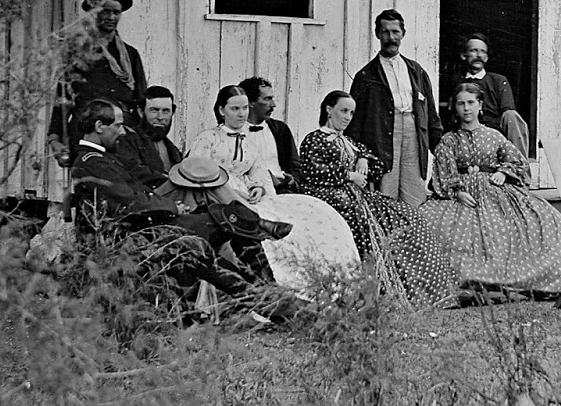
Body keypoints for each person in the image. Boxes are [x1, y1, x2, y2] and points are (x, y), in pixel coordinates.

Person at [66, 100, 281, 319]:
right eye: (118, 125)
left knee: (222, 224)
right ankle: (271, 296)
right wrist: (172, 207)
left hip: (146, 230)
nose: (122, 132)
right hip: (132, 239)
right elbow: (131, 204)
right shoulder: (92, 162)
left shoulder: (102, 157)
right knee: (221, 226)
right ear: (100, 126)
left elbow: (139, 186)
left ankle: (270, 296)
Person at [187, 85, 362, 291]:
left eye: (244, 108)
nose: (242, 114)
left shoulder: (248, 143)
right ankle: (273, 275)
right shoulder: (208, 138)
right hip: (216, 195)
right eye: (235, 109)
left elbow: (259, 174)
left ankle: (324, 283)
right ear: (221, 110)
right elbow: (197, 172)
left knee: (310, 214)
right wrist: (235, 190)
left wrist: (258, 189)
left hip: (249, 196)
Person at [299, 90, 460, 309]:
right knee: (369, 224)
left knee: (408, 217)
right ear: (329, 109)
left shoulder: (349, 141)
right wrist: (348, 175)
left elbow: (378, 165)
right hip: (331, 198)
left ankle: (424, 291)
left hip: (360, 197)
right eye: (343, 111)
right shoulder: (314, 139)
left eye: (351, 113)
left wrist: (363, 158)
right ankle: (378, 288)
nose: (347, 117)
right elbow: (312, 172)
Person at [418, 81, 561, 295]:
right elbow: (443, 173)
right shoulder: (449, 140)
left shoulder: (493, 135)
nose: (466, 108)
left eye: (471, 103)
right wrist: (457, 192)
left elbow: (518, 161)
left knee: (533, 222)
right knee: (435, 224)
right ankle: (466, 281)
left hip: (495, 193)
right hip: (463, 196)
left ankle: (517, 278)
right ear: (454, 108)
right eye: (461, 103)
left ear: (480, 105)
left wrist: (503, 172)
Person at [347, 9, 443, 206]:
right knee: (385, 195)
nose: (391, 37)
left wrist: (442, 152)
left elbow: (431, 116)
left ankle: (413, 236)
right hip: (382, 139)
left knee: (415, 193)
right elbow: (354, 124)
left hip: (414, 135)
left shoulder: (417, 71)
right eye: (385, 32)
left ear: (403, 34)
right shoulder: (365, 76)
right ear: (377, 34)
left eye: (395, 32)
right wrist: (360, 156)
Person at [48, 0, 148, 166]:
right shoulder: (77, 53)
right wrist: (54, 139)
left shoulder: (130, 55)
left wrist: (141, 141)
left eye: (116, 12)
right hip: (85, 136)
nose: (111, 17)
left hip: (121, 138)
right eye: (105, 11)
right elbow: (63, 102)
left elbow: (140, 100)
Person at [443, 34, 531, 157]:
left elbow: (507, 114)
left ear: (487, 57)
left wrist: (485, 128)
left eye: (483, 52)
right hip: (466, 133)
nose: (479, 55)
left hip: (495, 133)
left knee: (511, 116)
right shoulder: (457, 83)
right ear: (463, 55)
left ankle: (519, 168)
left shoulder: (497, 80)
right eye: (473, 50)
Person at [238, 76, 299, 191]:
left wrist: (292, 181)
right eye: (267, 99)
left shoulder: (280, 129)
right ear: (250, 102)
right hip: (249, 191)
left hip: (281, 189)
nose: (273, 104)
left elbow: (294, 165)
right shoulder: (236, 132)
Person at [120, 86, 184, 187]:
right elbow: (135, 172)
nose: (160, 117)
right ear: (141, 112)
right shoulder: (128, 140)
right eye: (154, 110)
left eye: (166, 111)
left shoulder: (172, 149)